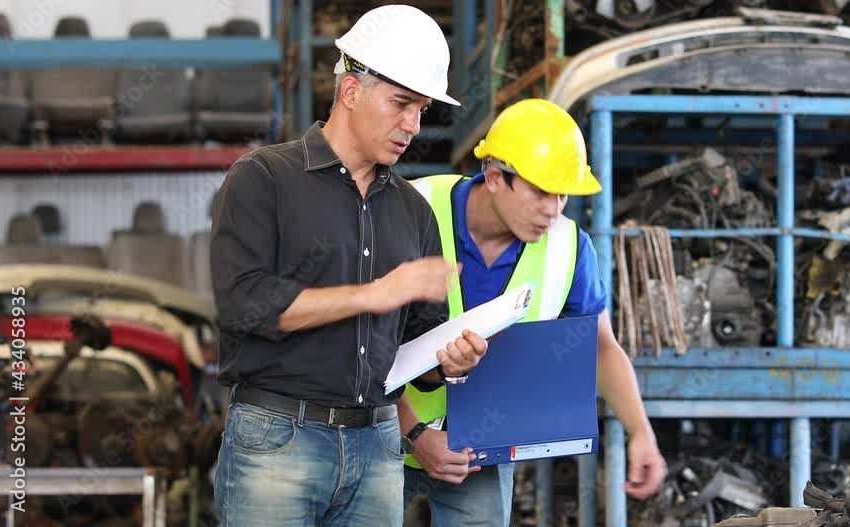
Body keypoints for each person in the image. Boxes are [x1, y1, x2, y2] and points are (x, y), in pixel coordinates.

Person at [209, 5, 488, 526]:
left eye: (422, 109)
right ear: (352, 91)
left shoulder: (412, 210)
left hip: (379, 446)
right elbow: (243, 308)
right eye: (401, 103)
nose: (413, 125)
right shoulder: (263, 179)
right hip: (277, 440)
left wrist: (449, 362)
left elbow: (418, 358)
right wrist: (374, 293)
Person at [399, 99, 668, 525]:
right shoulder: (411, 209)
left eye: (563, 194)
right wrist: (414, 435)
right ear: (493, 177)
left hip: (477, 453)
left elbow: (599, 346)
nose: (553, 208)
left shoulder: (568, 247)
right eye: (540, 191)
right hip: (383, 432)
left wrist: (642, 434)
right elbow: (360, 341)